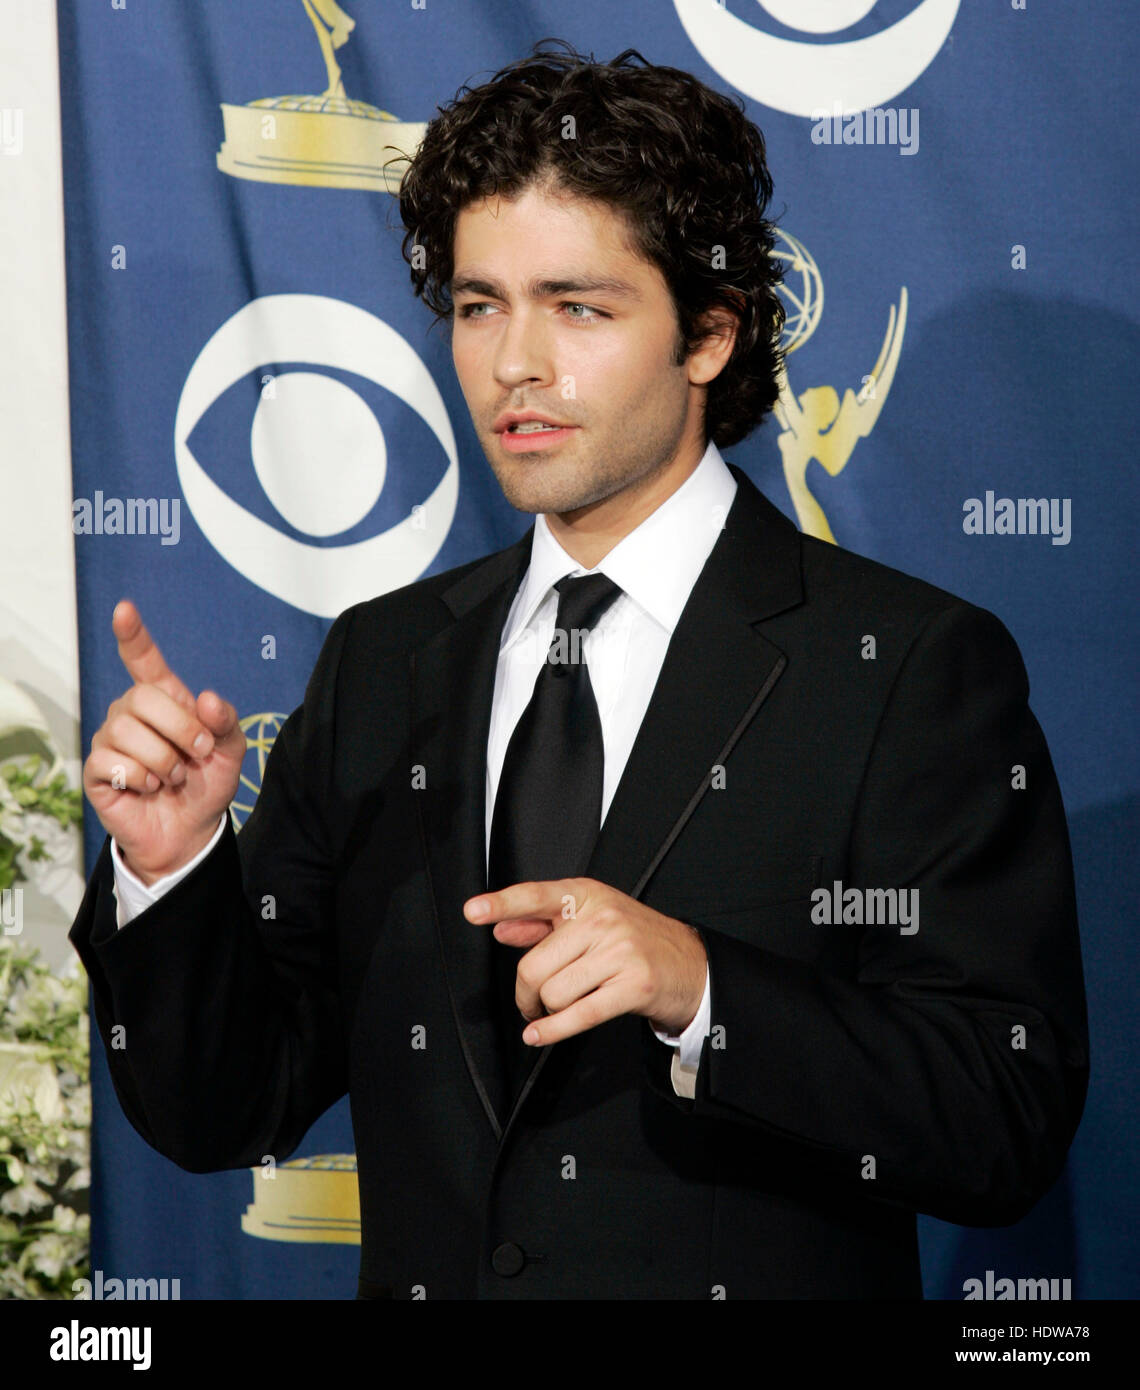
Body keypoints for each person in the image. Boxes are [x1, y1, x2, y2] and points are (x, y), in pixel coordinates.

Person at [70, 41, 1088, 1299]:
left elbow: (1003, 1117)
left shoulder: (905, 667)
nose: (513, 365)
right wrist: (173, 874)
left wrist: (703, 989)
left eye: (579, 307)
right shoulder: (383, 661)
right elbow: (224, 1110)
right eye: (479, 304)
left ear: (708, 335)